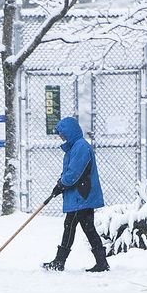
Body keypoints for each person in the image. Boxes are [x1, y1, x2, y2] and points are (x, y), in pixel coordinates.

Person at [43, 116, 109, 272]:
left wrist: (61, 184)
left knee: (71, 226)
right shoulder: (74, 148)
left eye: (62, 133)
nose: (60, 136)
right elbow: (68, 172)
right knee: (86, 227)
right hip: (79, 195)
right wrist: (59, 184)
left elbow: (73, 173)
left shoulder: (81, 147)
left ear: (69, 131)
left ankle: (60, 261)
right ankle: (101, 262)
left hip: (82, 195)